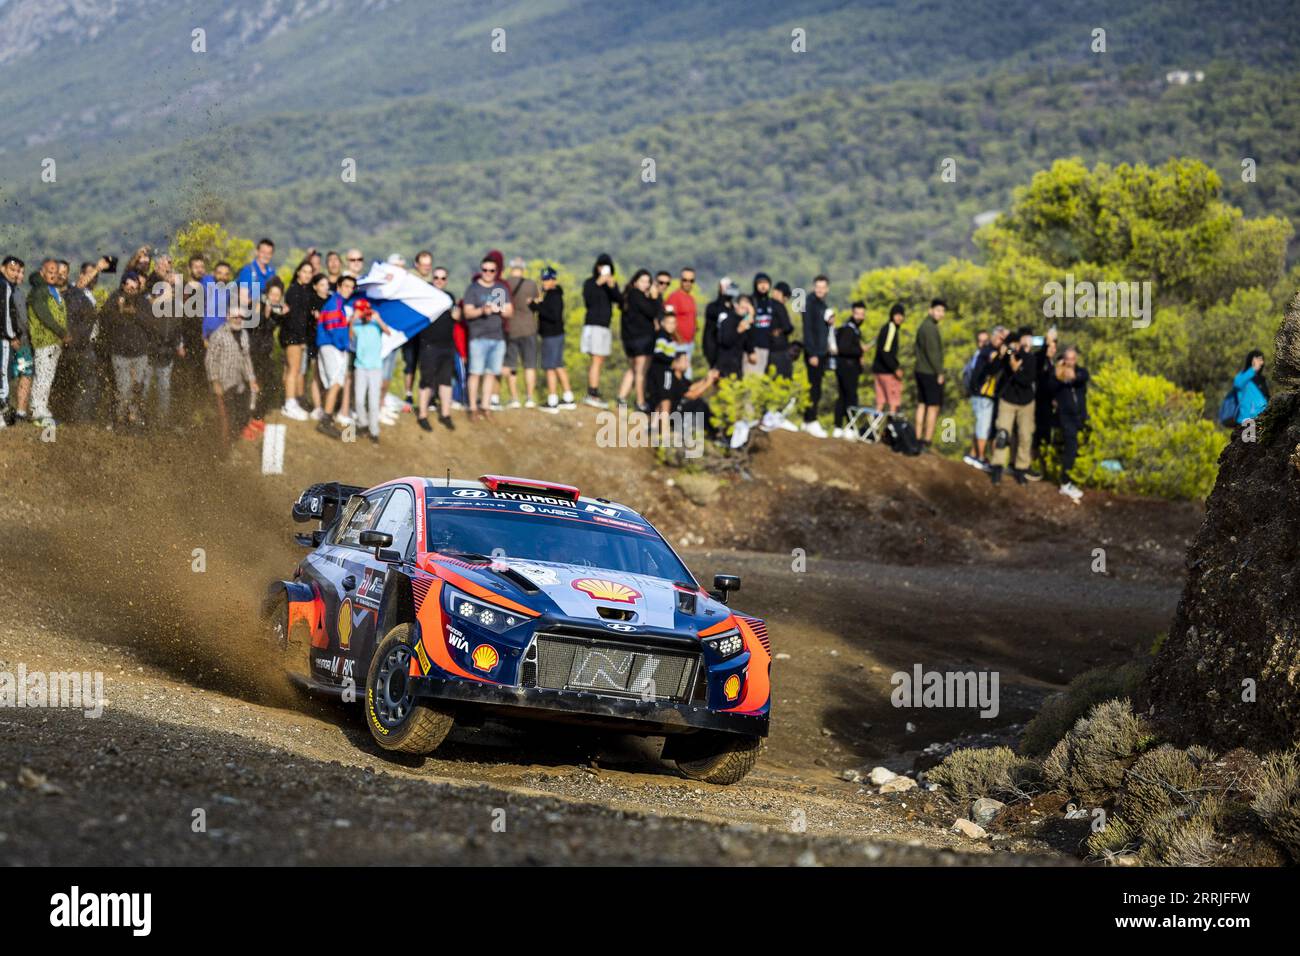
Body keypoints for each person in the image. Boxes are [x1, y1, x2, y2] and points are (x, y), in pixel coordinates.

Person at [461, 255, 512, 421]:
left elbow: (510, 311)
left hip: (497, 338)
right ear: (481, 270)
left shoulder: (501, 289)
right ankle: (472, 407)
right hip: (478, 337)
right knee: (475, 373)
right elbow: (467, 312)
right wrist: (483, 310)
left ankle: (485, 406)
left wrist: (499, 309)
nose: (488, 273)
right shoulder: (473, 289)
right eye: (485, 270)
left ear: (496, 272)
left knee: (491, 373)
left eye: (492, 270)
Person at [205, 295, 259, 448]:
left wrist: (252, 379)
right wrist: (215, 382)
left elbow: (246, 358)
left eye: (241, 316)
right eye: (235, 316)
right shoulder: (218, 334)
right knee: (225, 420)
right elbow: (210, 360)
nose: (238, 319)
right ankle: (222, 451)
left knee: (240, 415)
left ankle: (233, 444)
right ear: (228, 316)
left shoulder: (243, 334)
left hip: (239, 383)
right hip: (222, 384)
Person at [987, 327, 1038, 486]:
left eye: (1017, 344)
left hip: (1026, 402)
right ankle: (997, 467)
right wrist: (1001, 355)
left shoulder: (1029, 358)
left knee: (1025, 435)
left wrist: (1016, 369)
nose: (1015, 348)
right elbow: (991, 371)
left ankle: (1021, 469)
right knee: (1002, 433)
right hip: (1007, 400)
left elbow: (1027, 380)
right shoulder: (1006, 357)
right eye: (1012, 345)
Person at [103, 271, 152, 428]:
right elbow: (106, 319)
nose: (131, 289)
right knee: (123, 388)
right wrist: (119, 309)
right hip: (120, 352)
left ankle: (134, 417)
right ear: (123, 285)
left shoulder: (143, 302)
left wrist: (133, 312)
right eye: (128, 286)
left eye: (134, 286)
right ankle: (120, 418)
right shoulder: (114, 298)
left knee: (137, 387)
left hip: (140, 352)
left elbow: (150, 323)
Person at [26, 259, 71, 427]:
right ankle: (36, 410)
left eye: (55, 271)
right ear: (42, 272)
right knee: (42, 376)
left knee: (48, 377)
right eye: (50, 271)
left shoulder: (53, 289)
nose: (54, 274)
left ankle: (42, 409)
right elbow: (44, 314)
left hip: (54, 341)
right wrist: (62, 332)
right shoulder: (39, 290)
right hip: (43, 339)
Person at [61, 261, 105, 422]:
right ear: (81, 275)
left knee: (89, 383)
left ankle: (80, 417)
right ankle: (79, 419)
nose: (94, 279)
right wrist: (98, 268)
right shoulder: (75, 290)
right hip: (77, 345)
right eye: (90, 275)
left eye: (96, 277)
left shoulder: (89, 295)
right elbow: (79, 286)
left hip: (88, 344)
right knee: (86, 382)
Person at [415, 271, 458, 433]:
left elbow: (456, 315)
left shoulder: (449, 297)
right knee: (426, 379)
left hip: (447, 344)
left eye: (443, 278)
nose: (439, 281)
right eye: (436, 278)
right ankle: (422, 414)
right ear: (432, 280)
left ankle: (445, 414)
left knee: (446, 380)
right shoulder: (426, 296)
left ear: (446, 280)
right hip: (429, 344)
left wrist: (457, 315)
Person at [315, 274, 355, 436]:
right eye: (346, 286)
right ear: (338, 287)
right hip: (332, 346)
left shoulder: (338, 303)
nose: (349, 290)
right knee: (336, 383)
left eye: (351, 287)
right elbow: (333, 328)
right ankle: (326, 420)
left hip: (330, 345)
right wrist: (341, 346)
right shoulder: (335, 304)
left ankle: (327, 416)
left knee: (334, 382)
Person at [963, 325, 1007, 471]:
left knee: (980, 426)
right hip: (983, 394)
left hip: (980, 394)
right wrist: (1001, 356)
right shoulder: (989, 352)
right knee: (983, 426)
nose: (1002, 341)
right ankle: (980, 457)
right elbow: (991, 369)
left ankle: (973, 454)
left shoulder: (983, 351)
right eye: (1001, 338)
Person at [530, 266, 574, 412]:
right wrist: (538, 304)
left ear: (554, 280)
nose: (545, 282)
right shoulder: (551, 294)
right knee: (558, 365)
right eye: (543, 279)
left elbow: (553, 315)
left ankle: (552, 400)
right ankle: (568, 397)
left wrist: (537, 306)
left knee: (550, 367)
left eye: (548, 279)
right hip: (555, 334)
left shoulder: (554, 295)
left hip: (552, 335)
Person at [1050, 346, 1089, 503]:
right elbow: (1050, 387)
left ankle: (1075, 477)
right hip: (1065, 417)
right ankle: (1065, 482)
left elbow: (1080, 377)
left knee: (1078, 448)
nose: (1071, 362)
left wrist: (1070, 376)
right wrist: (1058, 373)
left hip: (1079, 416)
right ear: (1064, 359)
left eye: (1073, 359)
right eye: (1068, 359)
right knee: (1071, 447)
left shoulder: (1081, 372)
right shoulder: (1057, 375)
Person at [350, 298, 392, 444]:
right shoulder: (357, 325)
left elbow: (388, 332)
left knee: (374, 402)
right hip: (360, 367)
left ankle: (374, 431)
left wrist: (378, 319)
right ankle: (363, 423)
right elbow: (350, 337)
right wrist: (353, 319)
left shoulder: (376, 324)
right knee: (359, 400)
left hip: (375, 368)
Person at [580, 253, 619, 407]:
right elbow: (588, 299)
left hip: (605, 326)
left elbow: (619, 299)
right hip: (594, 325)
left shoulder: (610, 285)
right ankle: (593, 392)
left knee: (600, 359)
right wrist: (598, 283)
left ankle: (594, 390)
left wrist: (611, 286)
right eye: (601, 266)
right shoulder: (590, 283)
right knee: (596, 358)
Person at [617, 268, 659, 410]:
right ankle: (640, 402)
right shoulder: (637, 295)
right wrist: (654, 298)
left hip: (630, 339)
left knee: (633, 369)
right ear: (635, 282)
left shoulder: (627, 296)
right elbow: (652, 312)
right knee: (641, 371)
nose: (646, 284)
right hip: (642, 339)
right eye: (643, 281)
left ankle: (622, 398)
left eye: (648, 282)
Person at [502, 257, 540, 408]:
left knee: (511, 364)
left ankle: (514, 398)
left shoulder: (505, 285)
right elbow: (538, 302)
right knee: (529, 365)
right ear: (523, 269)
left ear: (511, 269)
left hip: (511, 329)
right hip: (529, 328)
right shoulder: (531, 284)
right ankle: (530, 398)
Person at [279, 260, 315, 420]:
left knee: (290, 370)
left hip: (293, 335)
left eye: (310, 272)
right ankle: (289, 403)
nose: (307, 275)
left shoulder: (303, 290)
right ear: (298, 272)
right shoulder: (295, 291)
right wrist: (301, 341)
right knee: (294, 370)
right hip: (293, 336)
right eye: (304, 271)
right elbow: (295, 317)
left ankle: (289, 401)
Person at [801, 275, 833, 437]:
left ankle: (808, 420)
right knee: (813, 388)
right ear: (814, 287)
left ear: (827, 289)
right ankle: (810, 419)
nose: (820, 290)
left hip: (822, 353)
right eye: (818, 287)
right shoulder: (809, 303)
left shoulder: (822, 305)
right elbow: (807, 330)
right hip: (813, 353)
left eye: (823, 287)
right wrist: (811, 353)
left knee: (817, 388)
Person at [914, 297, 946, 449]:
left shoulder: (923, 326)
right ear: (931, 310)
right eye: (938, 310)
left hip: (920, 370)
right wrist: (939, 372)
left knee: (921, 404)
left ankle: (917, 436)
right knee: (933, 406)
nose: (941, 314)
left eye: (943, 311)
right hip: (930, 372)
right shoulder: (930, 328)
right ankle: (926, 440)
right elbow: (933, 353)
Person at [1, 255, 28, 425]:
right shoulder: (5, 286)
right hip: (3, 338)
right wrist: (12, 335)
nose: (14, 274)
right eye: (12, 269)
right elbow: (5, 315)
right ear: (2, 268)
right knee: (3, 374)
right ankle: (2, 416)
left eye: (17, 271)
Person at [832, 302, 866, 437]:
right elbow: (844, 348)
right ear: (852, 313)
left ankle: (840, 427)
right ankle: (848, 427)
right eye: (857, 314)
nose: (860, 317)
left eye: (862, 314)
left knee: (844, 396)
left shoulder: (854, 329)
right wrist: (860, 350)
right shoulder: (849, 329)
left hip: (847, 368)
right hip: (848, 368)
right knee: (850, 397)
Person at [871, 302, 906, 415]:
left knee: (880, 402)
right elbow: (886, 352)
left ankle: (874, 429)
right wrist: (895, 368)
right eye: (897, 315)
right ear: (892, 315)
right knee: (893, 403)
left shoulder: (885, 328)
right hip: (887, 372)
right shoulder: (891, 329)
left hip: (878, 370)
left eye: (901, 315)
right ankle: (891, 429)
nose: (899, 317)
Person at [665, 267, 698, 374]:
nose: (688, 283)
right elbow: (668, 320)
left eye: (691, 280)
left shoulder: (691, 299)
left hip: (689, 344)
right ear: (680, 280)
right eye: (685, 280)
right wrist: (677, 338)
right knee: (679, 375)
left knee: (687, 376)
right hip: (678, 344)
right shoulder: (674, 297)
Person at [715, 291, 753, 378]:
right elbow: (726, 341)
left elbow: (748, 342)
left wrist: (751, 315)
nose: (744, 311)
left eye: (746, 309)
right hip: (725, 366)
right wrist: (738, 330)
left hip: (737, 365)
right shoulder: (727, 321)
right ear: (736, 305)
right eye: (742, 307)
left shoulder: (744, 323)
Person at [768, 281, 796, 378]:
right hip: (779, 350)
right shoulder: (779, 306)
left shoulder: (765, 303)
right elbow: (787, 326)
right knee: (783, 379)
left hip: (767, 349)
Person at [1233, 350, 1270, 423]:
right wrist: (1253, 369)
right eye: (1259, 360)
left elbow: (1266, 397)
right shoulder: (1243, 377)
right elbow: (1237, 384)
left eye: (1262, 360)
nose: (1262, 363)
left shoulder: (1262, 379)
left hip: (1262, 419)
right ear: (1252, 361)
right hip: (1247, 419)